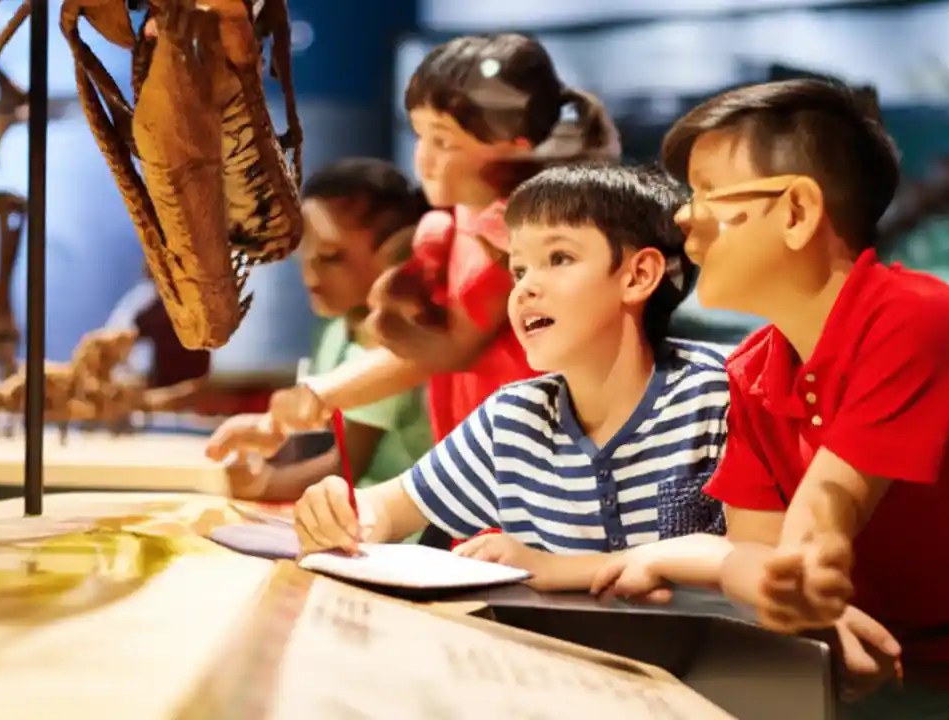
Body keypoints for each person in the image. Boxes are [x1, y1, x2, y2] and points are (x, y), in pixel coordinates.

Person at [592, 79, 949, 718]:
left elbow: (828, 509)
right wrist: (800, 603)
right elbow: (765, 552)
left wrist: (801, 576)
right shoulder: (753, 367)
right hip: (866, 666)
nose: (685, 216)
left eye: (709, 192)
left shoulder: (914, 317)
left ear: (798, 212)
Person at [208, 33, 620, 548]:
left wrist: (316, 396)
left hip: (538, 477)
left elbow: (441, 347)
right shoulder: (456, 228)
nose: (424, 158)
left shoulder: (513, 234)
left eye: (444, 141)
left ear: (514, 143)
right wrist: (302, 405)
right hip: (480, 477)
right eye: (421, 135)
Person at [287, 164, 740, 592]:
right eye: (519, 269)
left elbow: (758, 554)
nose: (524, 287)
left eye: (559, 257)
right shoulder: (514, 418)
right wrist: (340, 511)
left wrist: (559, 569)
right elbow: (385, 508)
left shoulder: (718, 394)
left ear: (639, 275)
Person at [218, 158, 434, 502]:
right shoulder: (335, 330)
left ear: (393, 251)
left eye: (332, 257)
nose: (310, 275)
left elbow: (347, 467)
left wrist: (261, 485)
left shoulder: (395, 339)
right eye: (305, 257)